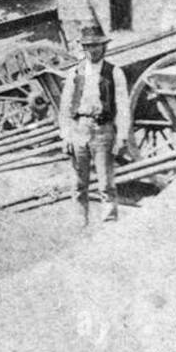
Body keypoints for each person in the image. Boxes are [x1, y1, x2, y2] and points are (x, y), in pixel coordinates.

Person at [58, 23, 130, 227]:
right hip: (79, 128)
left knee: (106, 182)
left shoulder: (114, 72)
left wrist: (122, 136)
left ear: (104, 47)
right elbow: (65, 106)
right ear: (83, 48)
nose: (92, 50)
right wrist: (65, 135)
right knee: (79, 182)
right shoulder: (75, 73)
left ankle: (110, 223)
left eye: (96, 45)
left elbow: (123, 107)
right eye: (88, 46)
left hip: (102, 130)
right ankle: (80, 221)